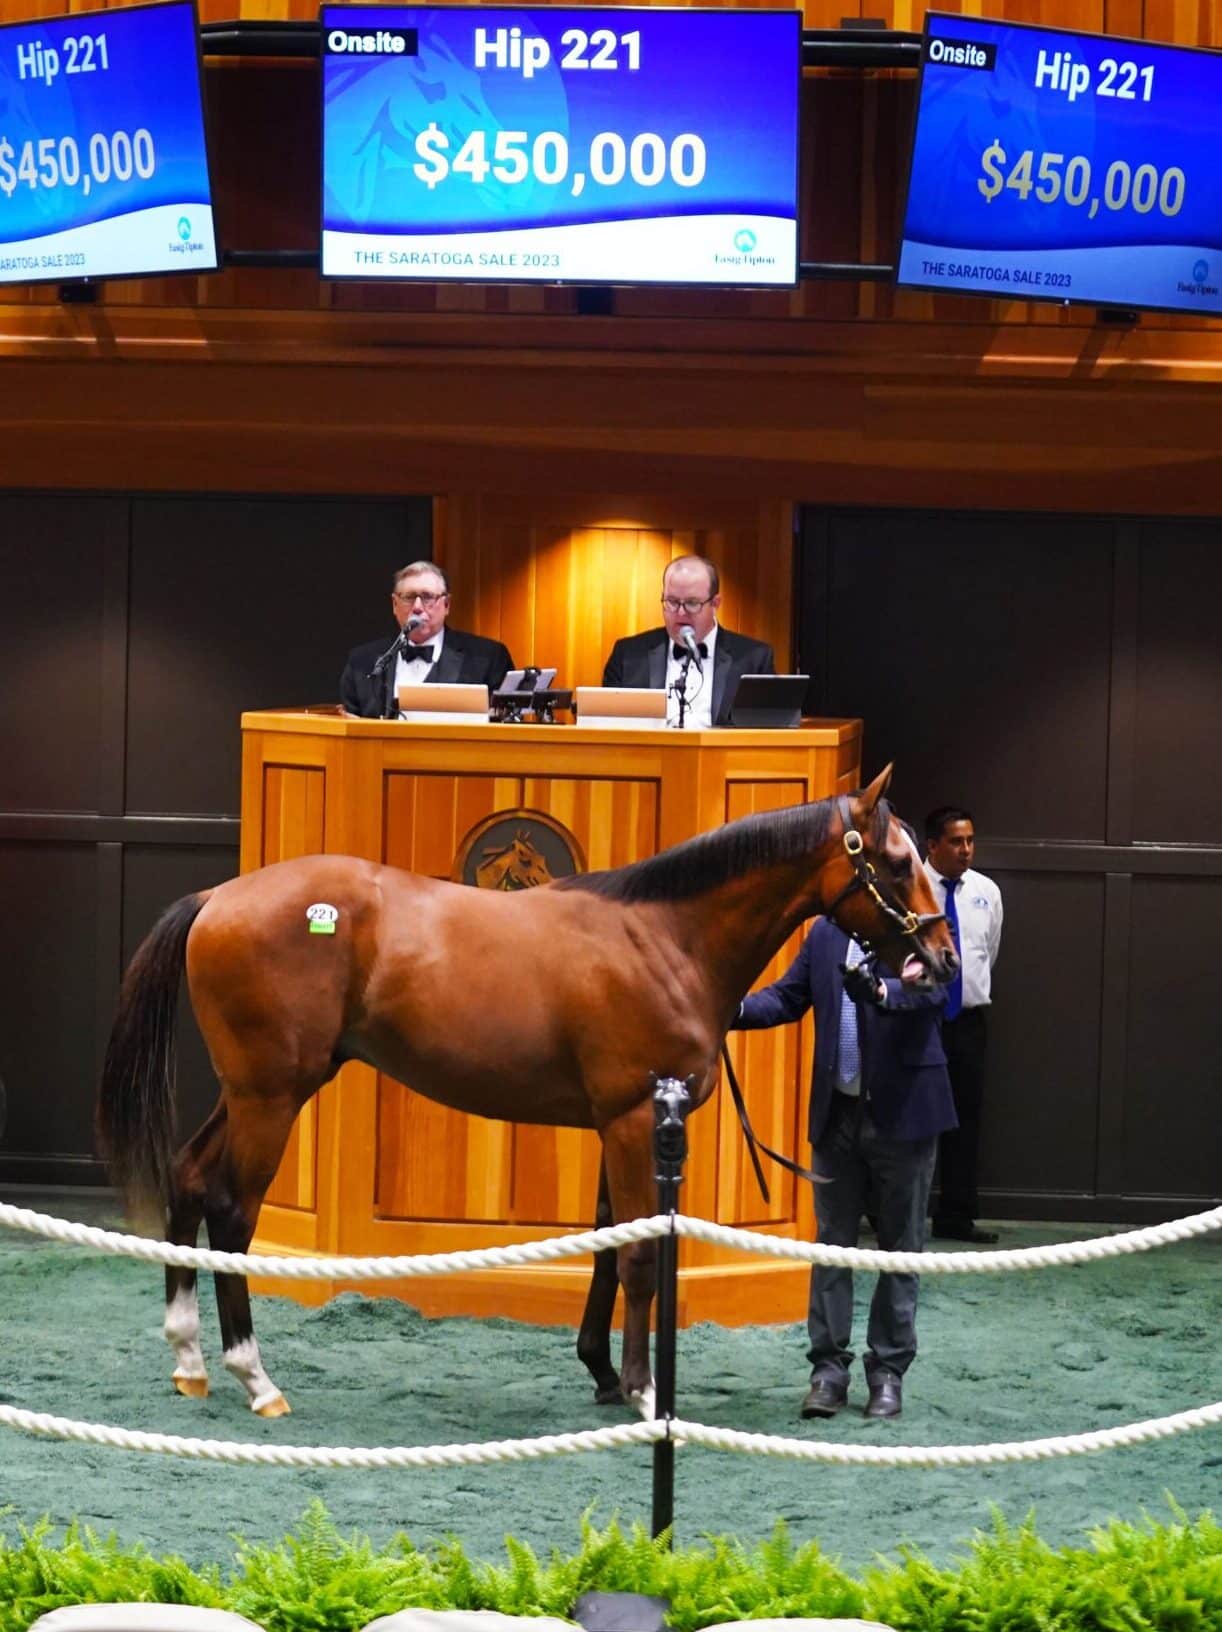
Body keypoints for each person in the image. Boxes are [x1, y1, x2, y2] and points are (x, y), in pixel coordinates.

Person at [736, 916, 956, 1421]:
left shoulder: (913, 923)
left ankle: (888, 1373)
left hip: (906, 1114)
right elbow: (789, 996)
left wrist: (881, 990)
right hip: (837, 1114)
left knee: (901, 1248)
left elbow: (935, 993)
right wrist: (735, 1008)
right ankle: (828, 1374)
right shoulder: (825, 933)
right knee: (832, 1243)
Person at [923, 806, 1004, 1244]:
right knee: (908, 1119)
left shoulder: (986, 891)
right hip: (919, 1020)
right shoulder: (908, 885)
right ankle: (890, 1216)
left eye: (970, 840)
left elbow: (988, 951)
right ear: (932, 845)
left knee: (965, 1119)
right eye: (956, 842)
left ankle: (955, 1216)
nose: (966, 850)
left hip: (968, 1022)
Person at [601, 555, 774, 728]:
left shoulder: (754, 659)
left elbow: (768, 730)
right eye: (672, 602)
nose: (681, 613)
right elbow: (604, 723)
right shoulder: (628, 654)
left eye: (692, 603)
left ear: (715, 603)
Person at [340, 561, 513, 718]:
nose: (417, 607)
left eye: (427, 597)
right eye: (408, 597)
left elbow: (506, 726)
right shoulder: (362, 661)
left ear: (447, 605)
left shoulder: (488, 658)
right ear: (394, 604)